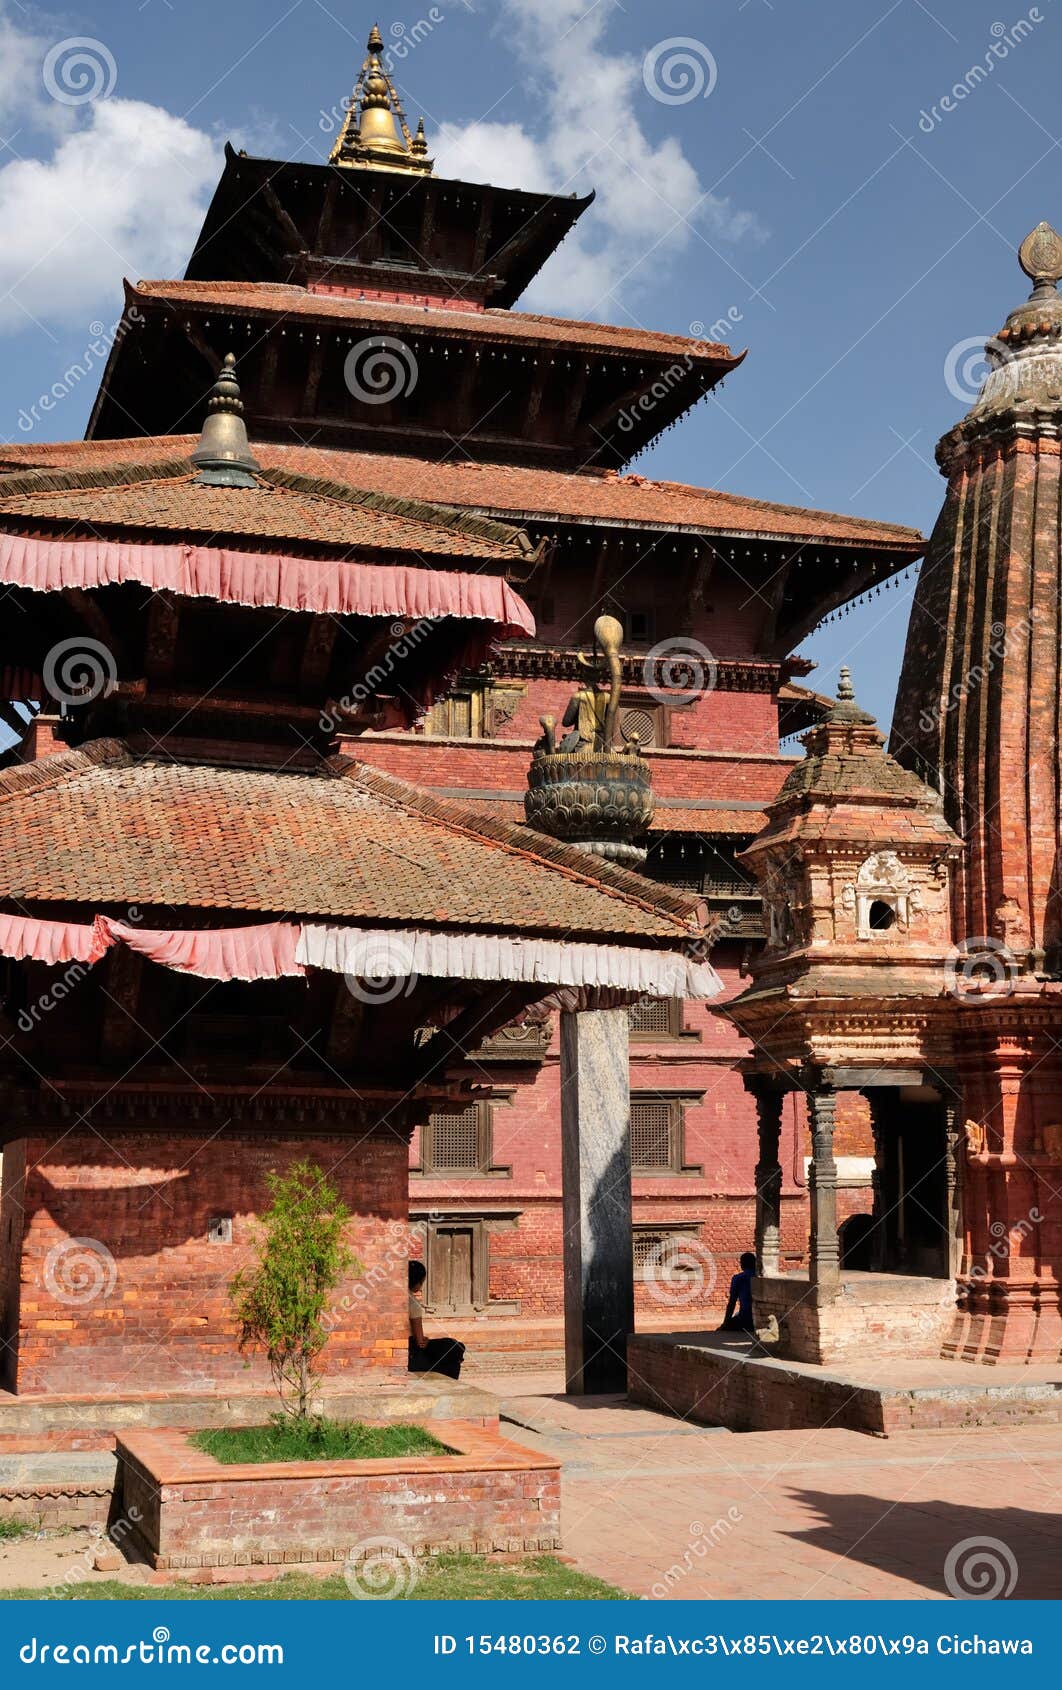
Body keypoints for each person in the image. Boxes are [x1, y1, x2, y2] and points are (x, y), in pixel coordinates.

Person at [407, 1260, 465, 1380]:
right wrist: (424, 1340)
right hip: (411, 1354)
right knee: (454, 1347)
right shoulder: (412, 1303)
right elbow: (420, 1342)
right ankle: (449, 1382)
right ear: (418, 1282)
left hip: (403, 1348)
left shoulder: (394, 1296)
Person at [720, 1251, 757, 1334]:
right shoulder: (761, 1277)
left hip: (745, 1320)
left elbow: (732, 1303)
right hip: (760, 1318)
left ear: (742, 1265)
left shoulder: (738, 1278)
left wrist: (725, 1323)